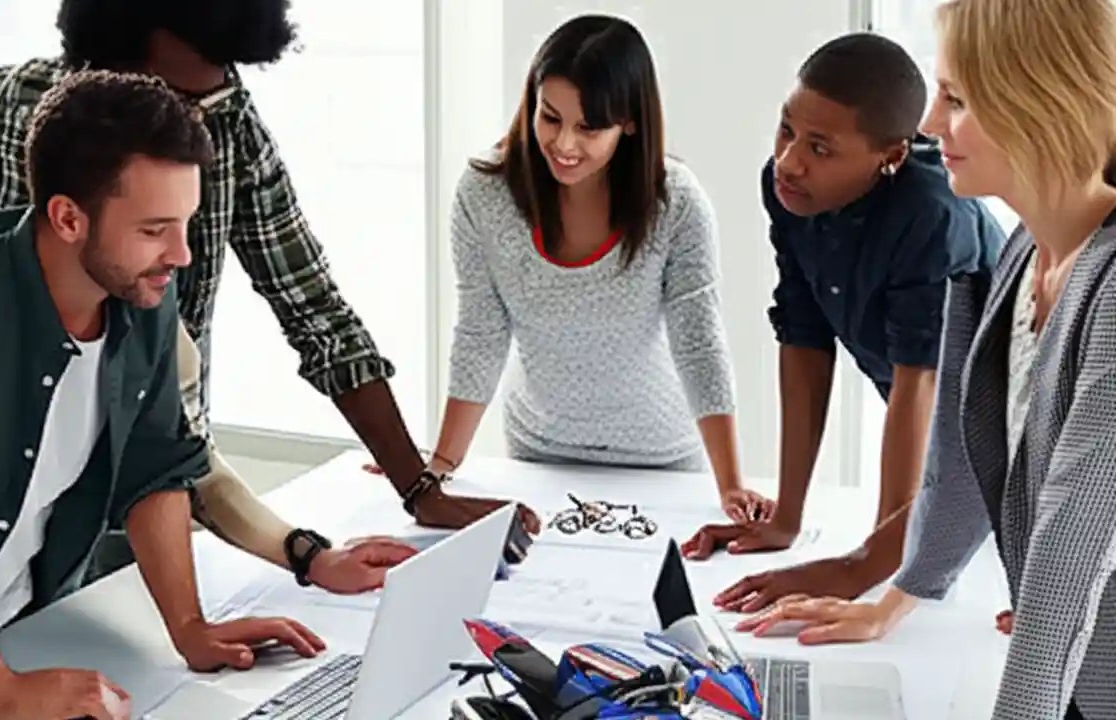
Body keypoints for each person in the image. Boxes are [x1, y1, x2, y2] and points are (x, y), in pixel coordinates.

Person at [0, 0, 537, 546]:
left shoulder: (227, 122)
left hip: (160, 489)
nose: (204, 122)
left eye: (221, 91)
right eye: (184, 100)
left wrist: (419, 489)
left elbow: (314, 310)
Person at [0, 71, 347, 714]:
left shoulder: (141, 297)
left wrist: (189, 629)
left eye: (185, 223)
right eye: (155, 228)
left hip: (22, 635)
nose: (181, 254)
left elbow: (156, 464)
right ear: (68, 217)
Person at [735, 1, 1116, 717]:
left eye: (957, 100)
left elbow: (1074, 541)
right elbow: (969, 459)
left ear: (1040, 104)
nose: (931, 125)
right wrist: (893, 597)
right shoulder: (1020, 255)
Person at [681, 33, 1005, 611]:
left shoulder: (931, 212)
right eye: (786, 130)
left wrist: (877, 562)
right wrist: (786, 519)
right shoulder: (787, 189)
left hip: (1007, 443)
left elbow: (920, 383)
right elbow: (804, 337)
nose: (789, 161)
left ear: (891, 156)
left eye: (820, 148)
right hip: (949, 445)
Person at [423, 13, 771, 521]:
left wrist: (732, 486)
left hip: (661, 462)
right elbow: (481, 331)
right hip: (539, 455)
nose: (564, 144)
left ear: (629, 122)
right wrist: (440, 466)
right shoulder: (484, 193)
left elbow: (698, 343)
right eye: (550, 117)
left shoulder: (676, 202)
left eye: (589, 127)